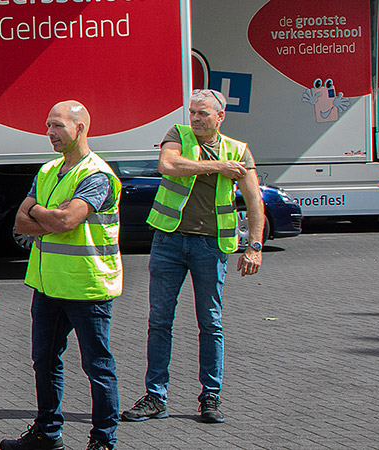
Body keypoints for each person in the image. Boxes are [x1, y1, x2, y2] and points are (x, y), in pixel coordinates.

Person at [122, 89, 265, 425]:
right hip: (169, 240)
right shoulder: (179, 135)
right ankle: (156, 397)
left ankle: (210, 397)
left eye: (203, 114)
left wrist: (254, 246)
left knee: (210, 322)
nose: (196, 119)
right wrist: (217, 167)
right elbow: (167, 165)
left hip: (211, 246)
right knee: (159, 320)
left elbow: (254, 200)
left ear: (220, 116)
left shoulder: (239, 151)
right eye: (193, 113)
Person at [2, 101, 121, 450]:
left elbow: (67, 221)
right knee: (44, 361)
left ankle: (103, 439)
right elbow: (20, 223)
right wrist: (47, 215)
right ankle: (46, 434)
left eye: (58, 126)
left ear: (80, 128)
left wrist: (38, 211)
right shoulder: (48, 170)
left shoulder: (96, 175)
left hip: (86, 286)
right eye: (48, 126)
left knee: (97, 367)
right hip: (48, 285)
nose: (50, 133)